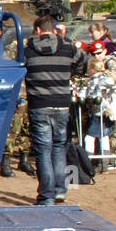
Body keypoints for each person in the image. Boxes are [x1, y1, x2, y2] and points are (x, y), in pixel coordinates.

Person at [24, 14, 78, 205]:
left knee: (43, 150)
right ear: (54, 29)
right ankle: (60, 190)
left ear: (38, 30)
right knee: (58, 147)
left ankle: (46, 195)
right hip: (62, 103)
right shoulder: (67, 47)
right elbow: (82, 63)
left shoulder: (28, 49)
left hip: (39, 104)